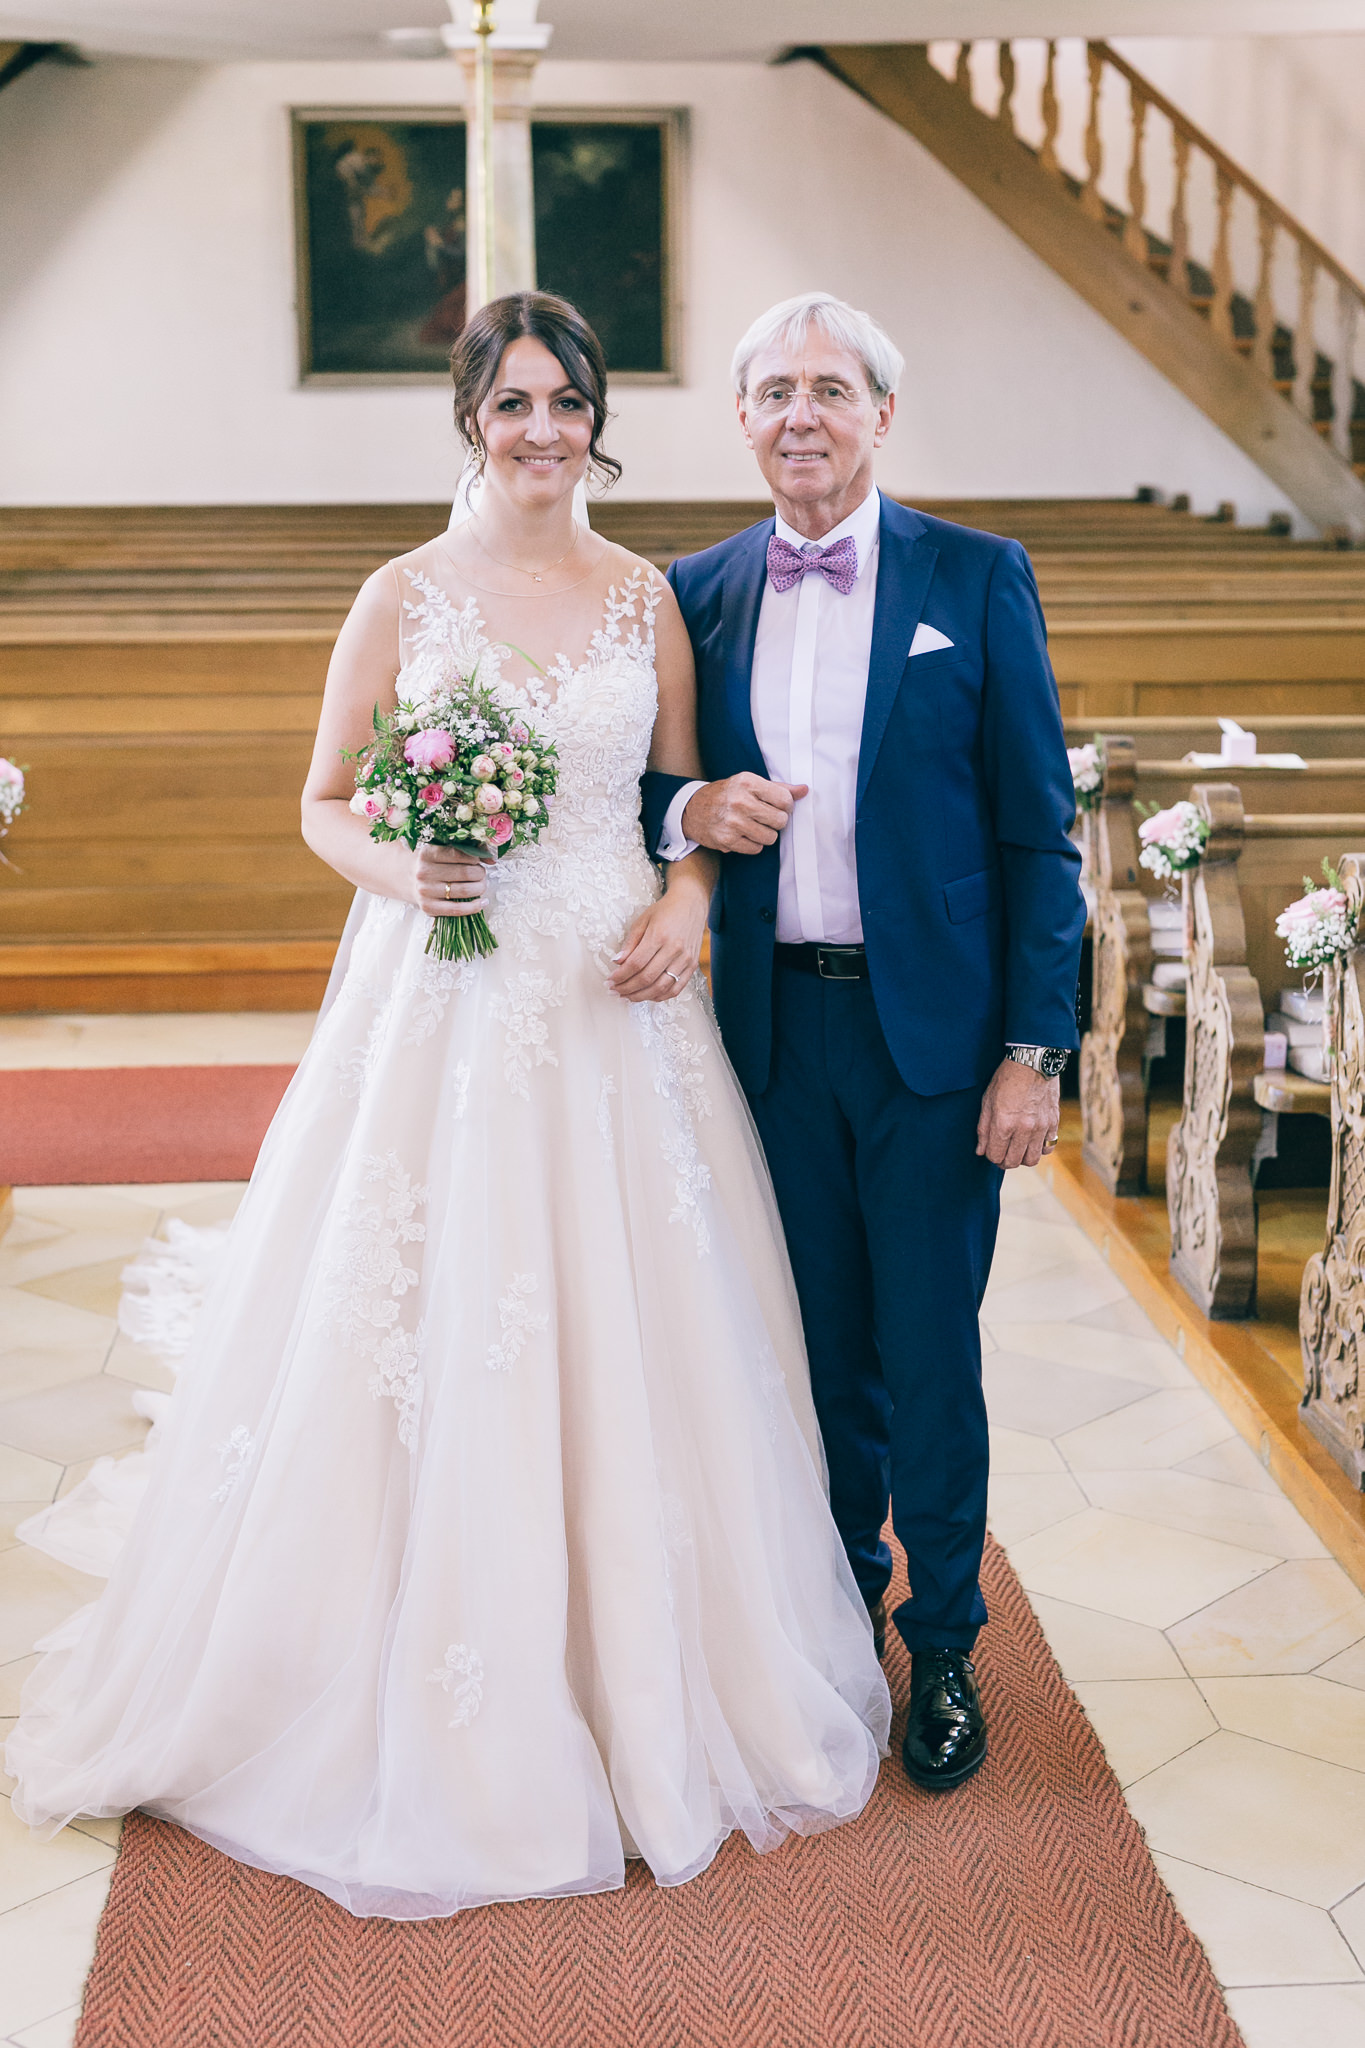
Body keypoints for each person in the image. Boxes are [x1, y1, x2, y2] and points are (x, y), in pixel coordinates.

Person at [7, 292, 890, 1918]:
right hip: (453, 992)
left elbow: (677, 802)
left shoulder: (646, 600)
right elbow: (323, 800)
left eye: (567, 402)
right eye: (514, 404)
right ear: (470, 418)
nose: (542, 430)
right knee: (434, 1320)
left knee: (638, 1331)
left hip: (619, 1004)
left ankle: (649, 1672)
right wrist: (404, 869)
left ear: (599, 419)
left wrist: (688, 900)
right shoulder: (401, 594)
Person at [641, 292, 1085, 1793]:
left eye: (829, 389)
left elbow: (1039, 830)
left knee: (926, 1349)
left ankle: (945, 1640)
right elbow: (637, 793)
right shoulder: (694, 590)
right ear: (744, 419)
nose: (799, 417)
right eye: (771, 391)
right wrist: (690, 813)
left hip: (939, 1045)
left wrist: (1036, 1045)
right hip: (765, 1034)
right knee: (807, 1346)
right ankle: (833, 1619)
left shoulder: (976, 574)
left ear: (880, 415)